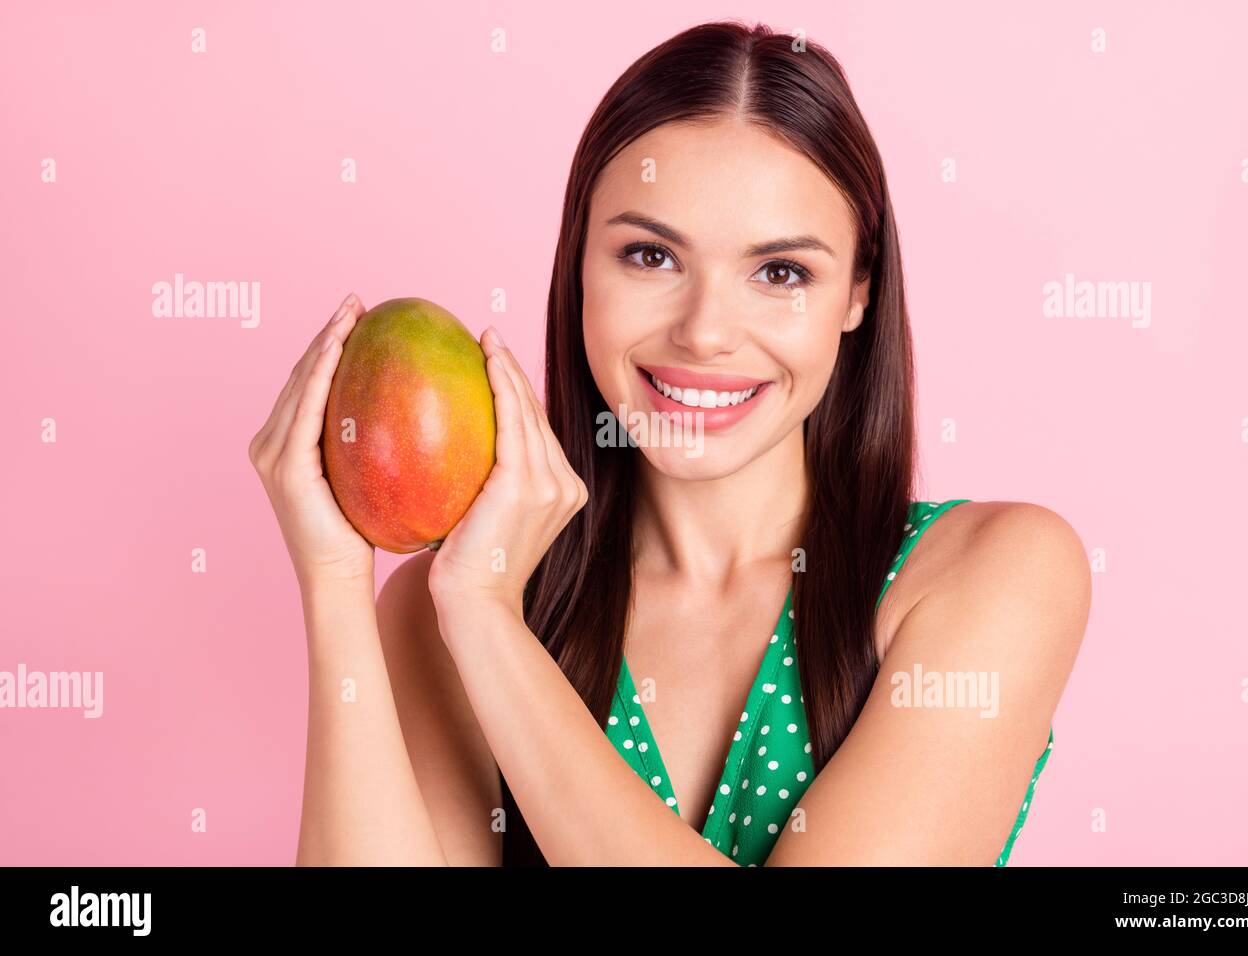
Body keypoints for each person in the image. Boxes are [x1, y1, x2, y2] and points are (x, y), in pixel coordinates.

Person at [248, 19, 1090, 866]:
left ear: (857, 295)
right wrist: (334, 585)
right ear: (579, 265)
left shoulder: (999, 572)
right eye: (650, 256)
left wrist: (484, 618)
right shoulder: (448, 607)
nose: (705, 332)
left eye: (781, 273)